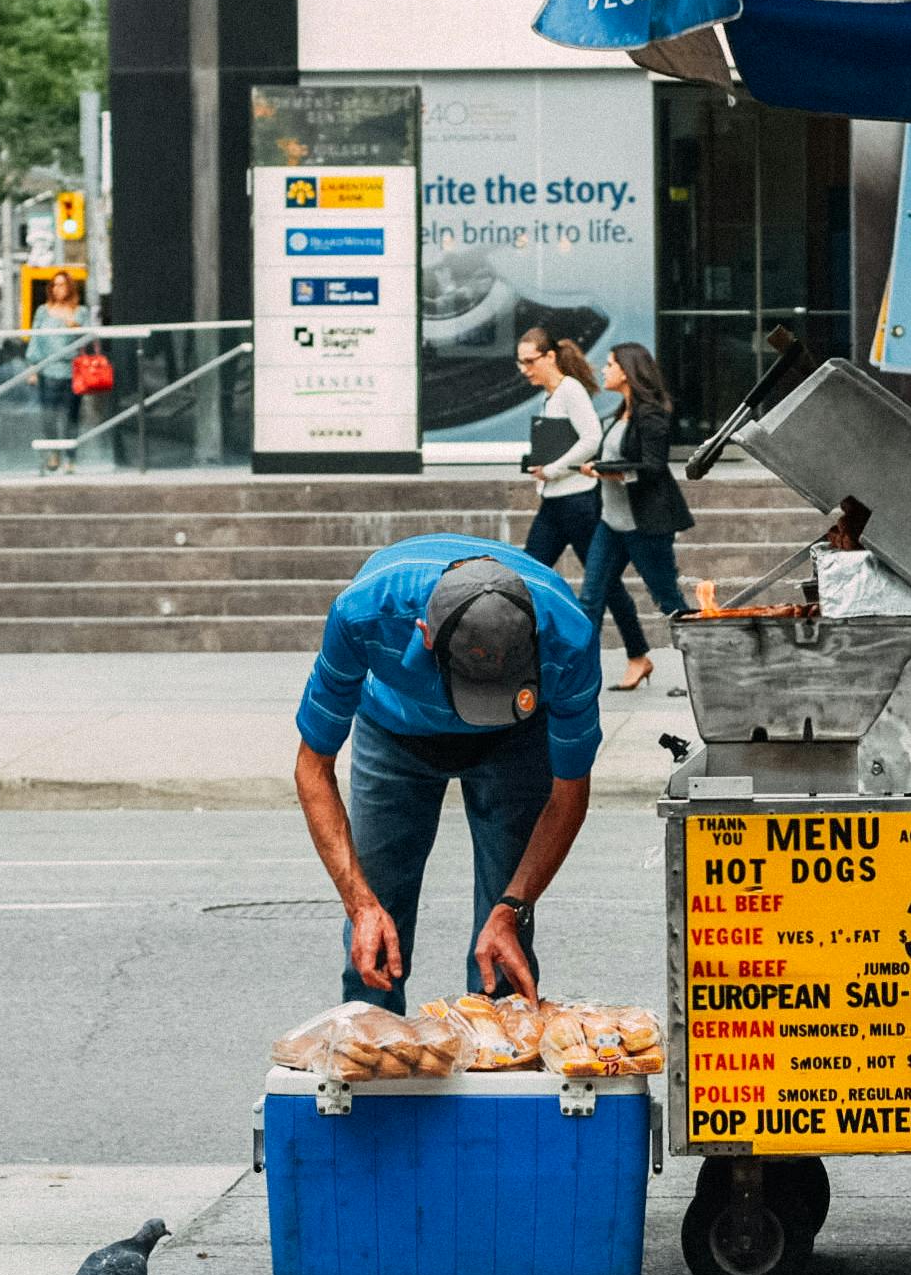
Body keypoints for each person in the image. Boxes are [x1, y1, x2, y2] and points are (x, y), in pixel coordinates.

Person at [292, 537, 599, 1004]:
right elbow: (312, 766)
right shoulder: (364, 611)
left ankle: (500, 1048)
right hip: (393, 730)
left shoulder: (567, 635)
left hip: (515, 738)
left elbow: (569, 795)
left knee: (504, 941)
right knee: (377, 922)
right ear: (424, 634)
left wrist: (512, 906)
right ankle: (374, 1046)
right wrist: (360, 904)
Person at [515, 329, 653, 671]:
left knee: (604, 584)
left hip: (578, 504)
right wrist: (543, 467)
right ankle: (524, 652)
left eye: (530, 361)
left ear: (549, 357)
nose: (524, 369)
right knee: (527, 574)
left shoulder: (570, 391)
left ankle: (638, 655)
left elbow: (591, 438)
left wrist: (555, 469)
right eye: (520, 362)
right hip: (555, 502)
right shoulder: (550, 396)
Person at [580, 342, 692, 686]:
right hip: (611, 523)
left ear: (628, 371)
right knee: (590, 599)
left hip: (645, 524)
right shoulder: (619, 413)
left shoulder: (651, 413)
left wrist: (605, 471)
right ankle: (582, 678)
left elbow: (654, 467)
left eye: (611, 364)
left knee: (668, 599)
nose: (604, 369)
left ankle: (706, 664)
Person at [28, 272, 92, 475]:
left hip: (72, 371)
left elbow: (89, 337)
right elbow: (35, 339)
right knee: (49, 416)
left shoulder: (80, 312)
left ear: (70, 288)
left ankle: (70, 457)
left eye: (62, 285)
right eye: (55, 285)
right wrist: (33, 368)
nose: (58, 289)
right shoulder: (43, 311)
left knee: (71, 416)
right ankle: (53, 452)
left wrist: (76, 326)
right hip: (48, 369)